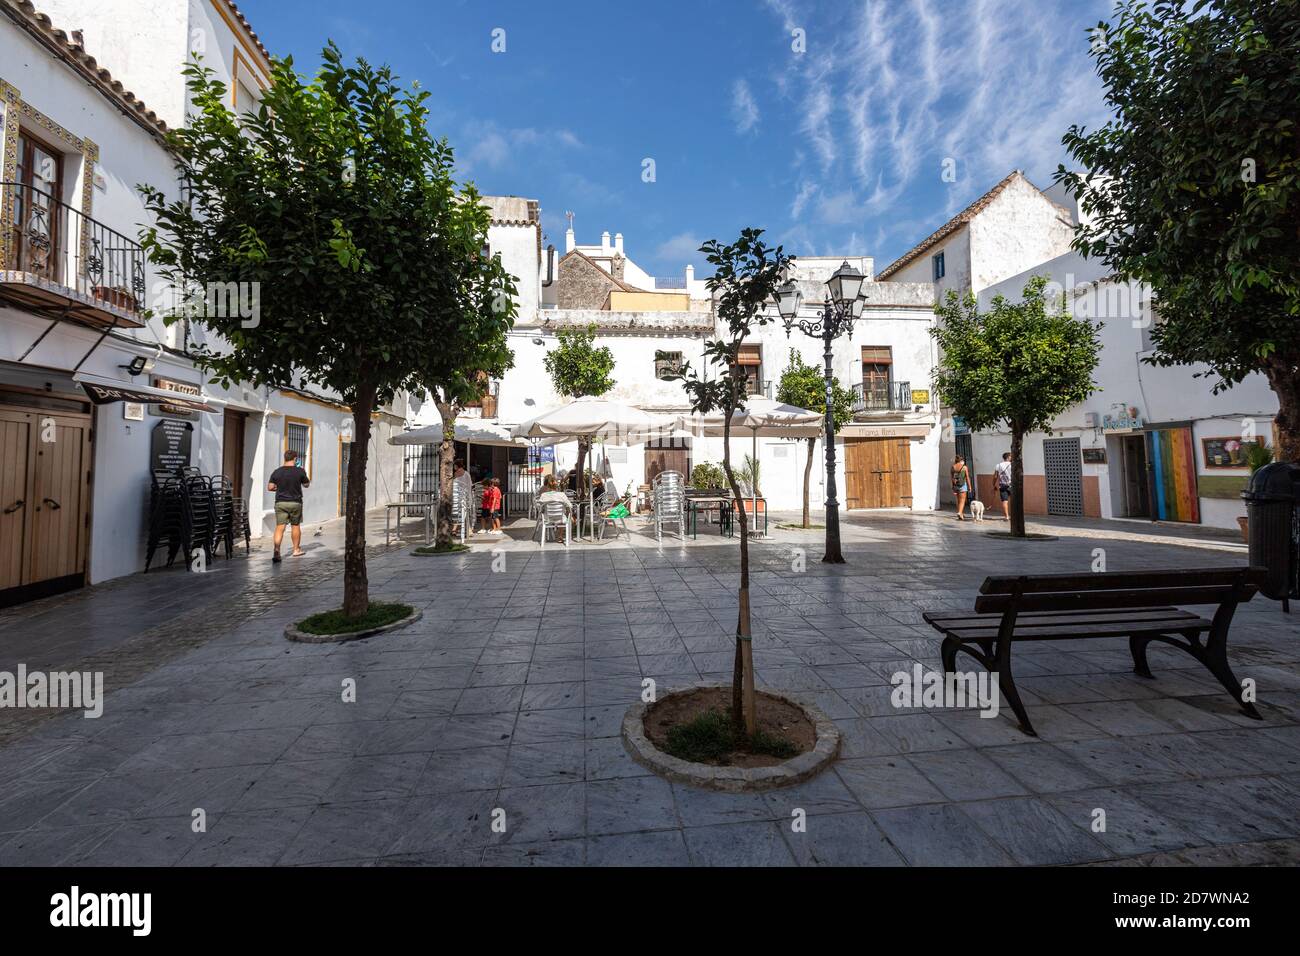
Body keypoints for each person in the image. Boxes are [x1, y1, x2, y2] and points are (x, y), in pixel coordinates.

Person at [268, 448, 310, 562]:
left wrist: (279, 487)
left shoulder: (277, 471)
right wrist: (303, 472)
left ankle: (276, 551)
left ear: (285, 458)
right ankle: (296, 550)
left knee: (279, 527)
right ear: (295, 459)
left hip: (280, 503)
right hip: (295, 503)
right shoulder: (299, 471)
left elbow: (270, 487)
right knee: (295, 526)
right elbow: (306, 485)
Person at [452, 459, 473, 534]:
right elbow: (470, 485)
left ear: (456, 466)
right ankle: (468, 529)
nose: (453, 467)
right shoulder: (466, 473)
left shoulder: (456, 474)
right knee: (464, 512)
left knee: (458, 512)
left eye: (454, 466)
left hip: (457, 496)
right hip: (465, 496)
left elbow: (454, 484)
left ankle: (456, 529)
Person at [950, 454, 972, 521]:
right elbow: (967, 477)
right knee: (962, 500)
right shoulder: (964, 467)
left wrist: (952, 486)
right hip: (963, 485)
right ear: (961, 460)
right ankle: (959, 512)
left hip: (956, 485)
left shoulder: (953, 467)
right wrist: (970, 486)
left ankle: (961, 514)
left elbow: (952, 477)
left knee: (958, 500)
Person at [994, 452, 1014, 521]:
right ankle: (1015, 516)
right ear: (1008, 457)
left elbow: (995, 476)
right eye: (1011, 456)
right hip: (1012, 485)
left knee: (1004, 501)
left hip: (1002, 485)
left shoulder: (998, 465)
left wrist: (993, 484)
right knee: (1014, 501)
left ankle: (1007, 516)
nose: (1012, 458)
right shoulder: (1013, 464)